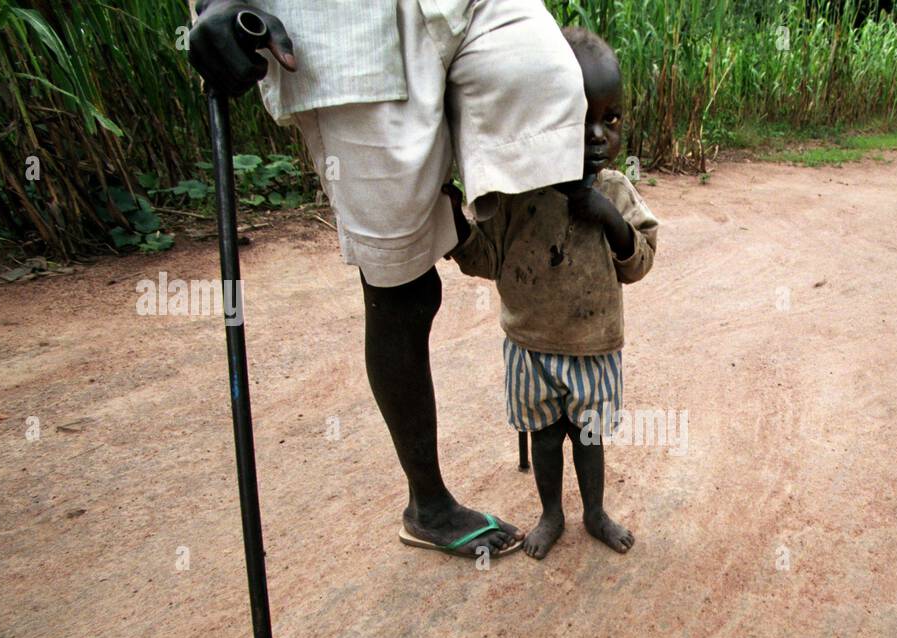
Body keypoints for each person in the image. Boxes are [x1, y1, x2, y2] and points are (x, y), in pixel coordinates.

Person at [187, 0, 589, 558]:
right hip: (346, 29)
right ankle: (428, 505)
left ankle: (524, 330)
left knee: (549, 89)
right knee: (404, 289)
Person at [444, 28, 657, 559]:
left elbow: (641, 262)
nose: (597, 136)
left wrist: (611, 222)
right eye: (579, 118)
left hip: (593, 346)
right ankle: (551, 515)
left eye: (611, 119)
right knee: (543, 438)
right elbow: (487, 258)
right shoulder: (518, 191)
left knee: (588, 439)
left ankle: (595, 513)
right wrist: (455, 229)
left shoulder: (615, 192)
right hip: (530, 344)